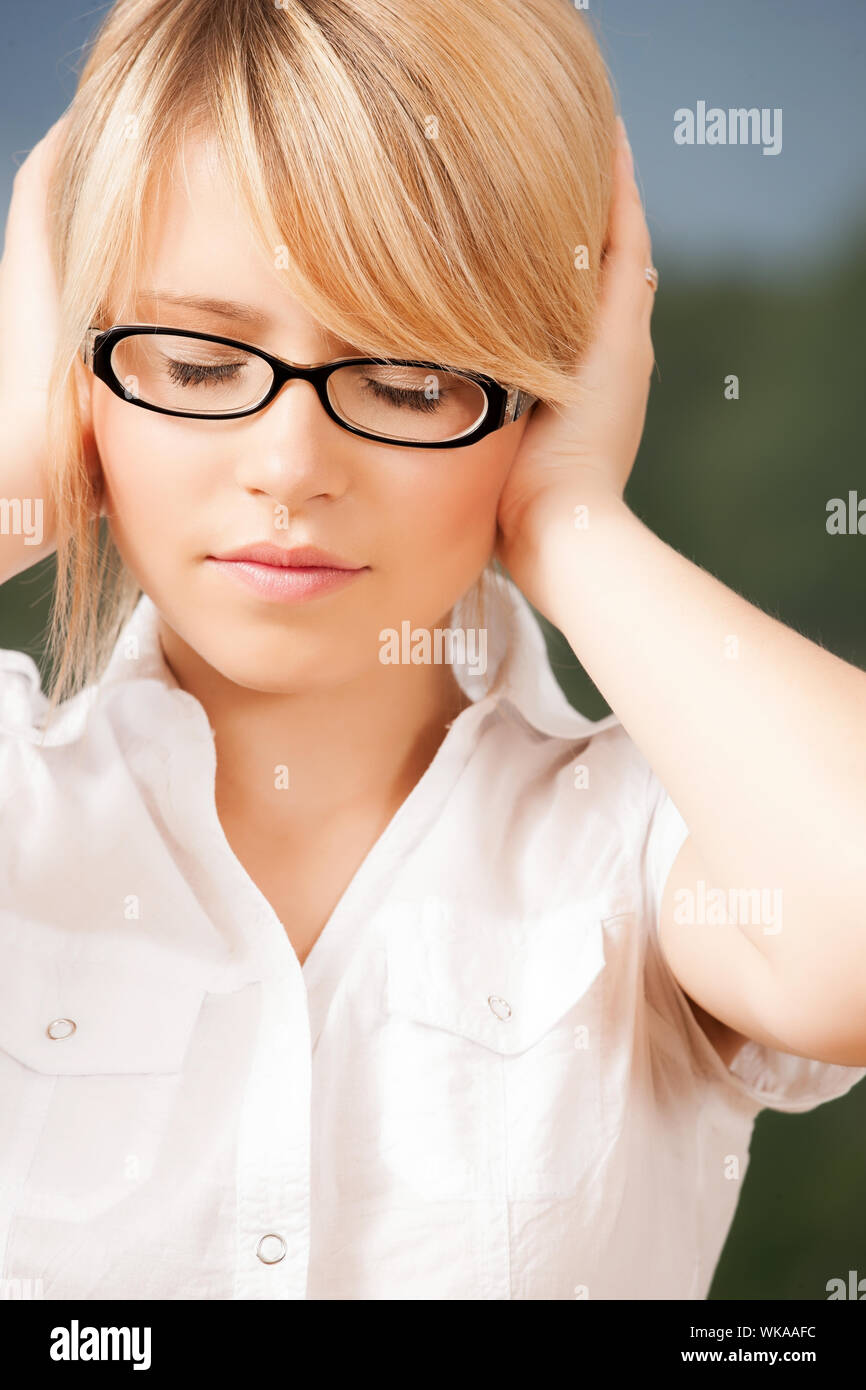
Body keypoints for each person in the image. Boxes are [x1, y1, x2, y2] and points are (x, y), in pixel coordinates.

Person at [0, 0, 863, 1301]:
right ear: (83, 370)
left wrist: (569, 520)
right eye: (188, 359)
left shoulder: (643, 845)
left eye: (410, 382)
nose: (289, 467)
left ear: (550, 378)